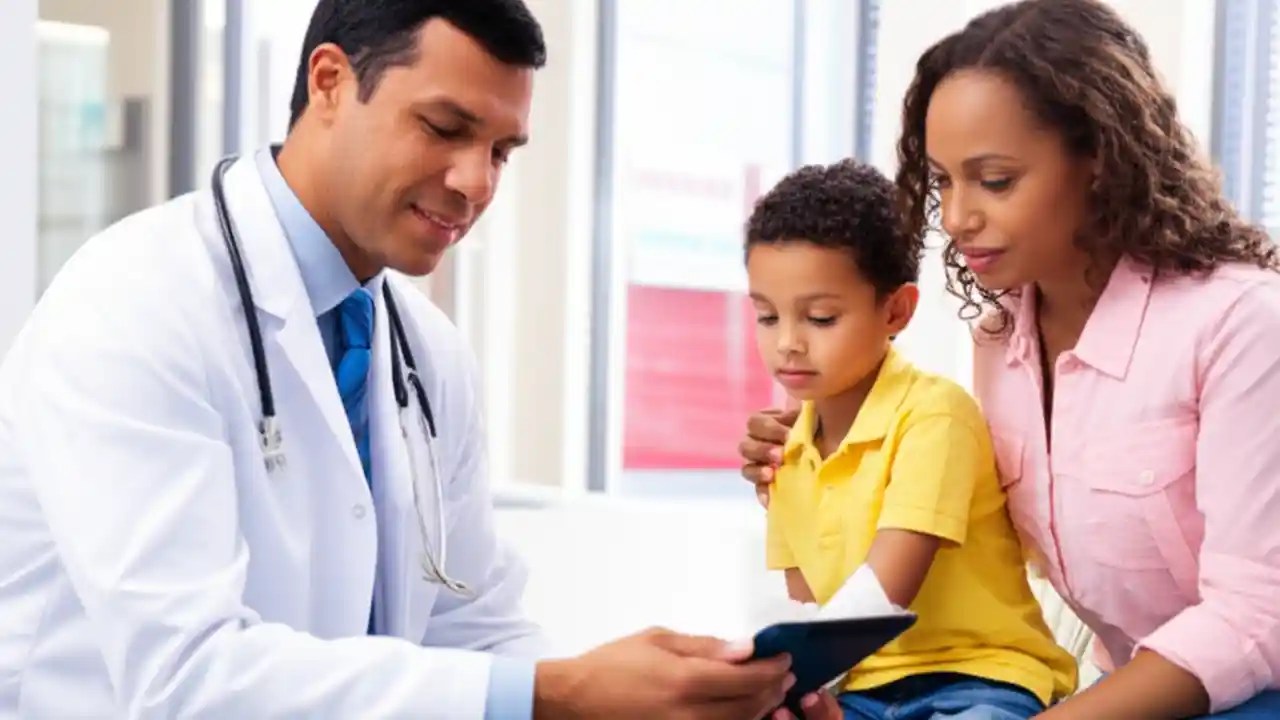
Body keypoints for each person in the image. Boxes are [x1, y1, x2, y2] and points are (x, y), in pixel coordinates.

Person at [0, 1, 793, 717]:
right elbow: (188, 679)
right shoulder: (136, 300)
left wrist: (684, 696)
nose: (474, 183)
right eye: (444, 128)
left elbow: (472, 629)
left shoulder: (424, 351)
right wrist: (564, 694)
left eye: (502, 151)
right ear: (331, 83)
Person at [739, 0, 1280, 718]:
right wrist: (815, 445)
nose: (957, 217)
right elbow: (969, 521)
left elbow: (1255, 617)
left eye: (994, 180)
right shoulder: (1001, 341)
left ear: (1098, 159)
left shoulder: (1241, 321)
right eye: (942, 182)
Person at [744, 160, 1075, 720]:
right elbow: (809, 619)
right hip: (861, 693)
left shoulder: (933, 416)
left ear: (896, 309)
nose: (788, 344)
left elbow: (885, 591)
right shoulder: (784, 454)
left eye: (821, 318)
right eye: (767, 316)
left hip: (977, 678)